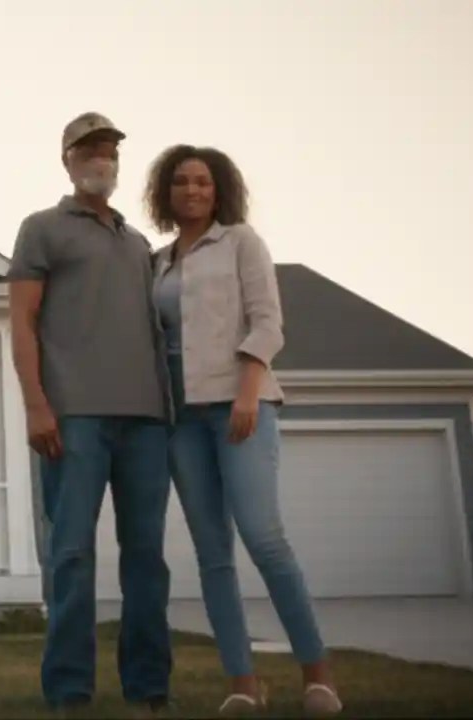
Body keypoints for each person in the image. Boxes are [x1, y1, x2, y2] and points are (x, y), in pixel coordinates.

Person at [144, 144, 343, 717]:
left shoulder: (241, 243)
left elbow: (268, 323)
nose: (192, 191)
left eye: (203, 181)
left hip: (239, 408)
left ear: (219, 188)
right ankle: (243, 683)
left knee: (265, 539)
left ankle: (319, 676)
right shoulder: (159, 262)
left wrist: (249, 393)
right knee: (213, 554)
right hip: (181, 420)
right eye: (181, 182)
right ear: (166, 193)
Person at [8, 112, 174, 716]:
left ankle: (149, 691)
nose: (102, 157)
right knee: (72, 554)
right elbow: (22, 323)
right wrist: (36, 404)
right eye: (90, 148)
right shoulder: (43, 229)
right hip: (73, 418)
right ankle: (70, 692)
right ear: (68, 160)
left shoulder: (138, 246)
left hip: (147, 423)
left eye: (110, 149)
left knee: (147, 561)